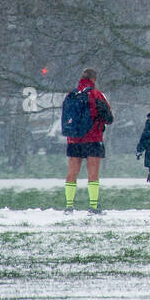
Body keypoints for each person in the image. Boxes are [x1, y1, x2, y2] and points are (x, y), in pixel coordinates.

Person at [63, 68, 113, 215]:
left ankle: (69, 205)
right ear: (94, 79)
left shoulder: (71, 95)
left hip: (74, 139)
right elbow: (109, 118)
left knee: (72, 172)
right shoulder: (97, 95)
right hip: (93, 139)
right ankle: (93, 205)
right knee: (93, 173)